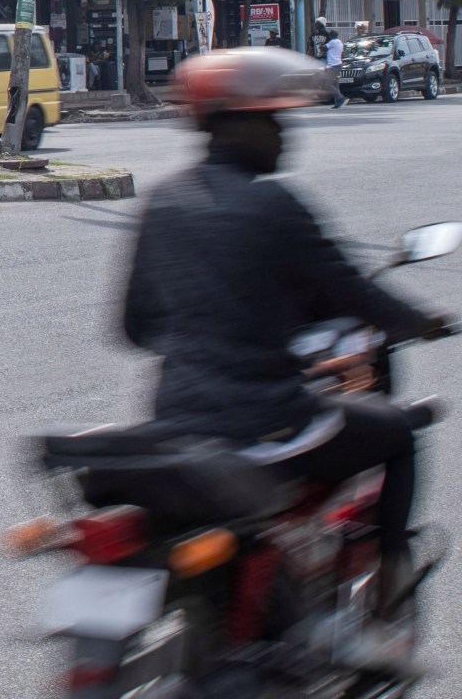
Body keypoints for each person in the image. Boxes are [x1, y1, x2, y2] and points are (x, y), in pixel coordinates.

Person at [122, 47, 450, 608]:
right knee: (399, 431)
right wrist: (424, 321)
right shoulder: (272, 203)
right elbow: (353, 293)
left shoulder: (164, 199)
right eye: (270, 120)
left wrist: (208, 338)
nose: (282, 134)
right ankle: (393, 573)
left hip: (175, 418)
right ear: (236, 125)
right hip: (267, 421)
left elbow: (134, 326)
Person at [323, 25, 348, 108]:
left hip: (332, 66)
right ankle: (338, 102)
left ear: (331, 36)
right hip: (338, 64)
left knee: (327, 83)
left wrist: (323, 43)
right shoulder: (340, 42)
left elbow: (324, 47)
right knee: (335, 83)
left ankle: (341, 98)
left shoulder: (333, 42)